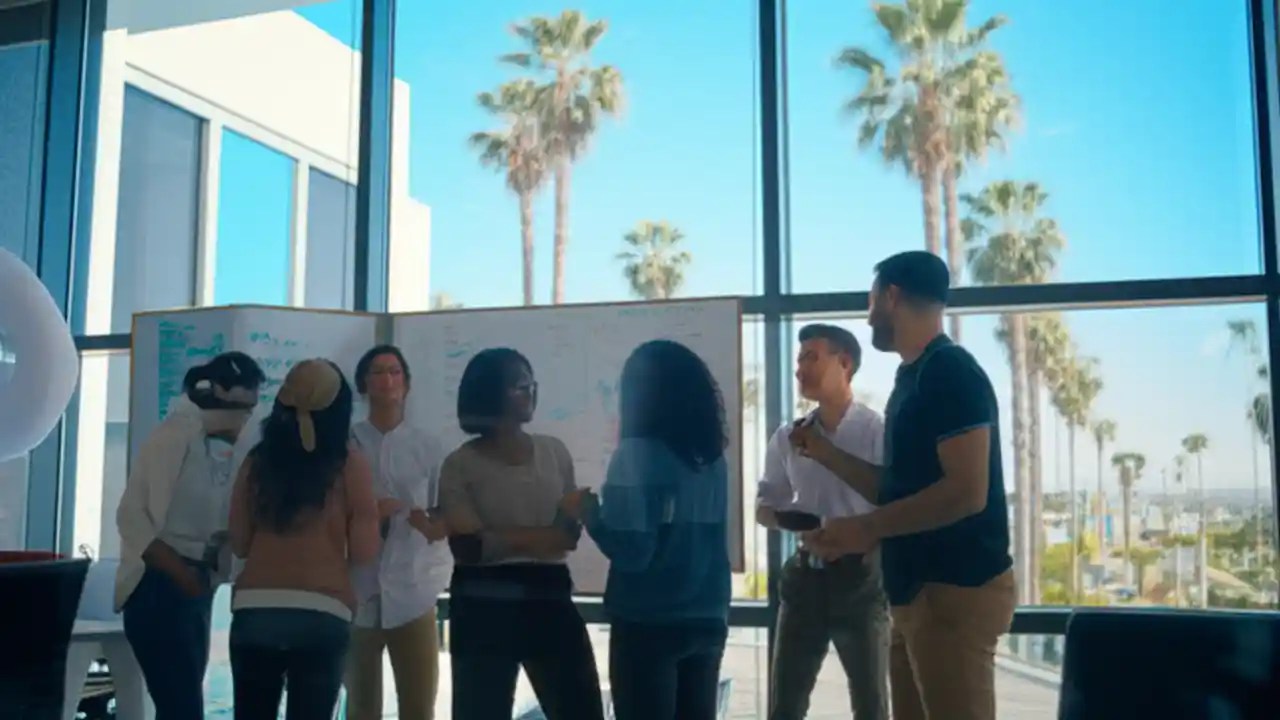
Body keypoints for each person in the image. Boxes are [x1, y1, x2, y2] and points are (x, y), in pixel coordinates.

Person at [796, 250, 1015, 720]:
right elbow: (899, 489)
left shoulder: (950, 373)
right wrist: (824, 453)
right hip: (919, 596)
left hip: (953, 591)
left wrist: (866, 530)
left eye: (871, 299)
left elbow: (966, 492)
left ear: (892, 296)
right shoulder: (914, 377)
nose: (867, 312)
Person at [560, 339, 731, 720]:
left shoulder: (636, 454)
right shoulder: (712, 459)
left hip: (649, 622)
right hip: (708, 616)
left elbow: (634, 552)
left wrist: (589, 512)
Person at [438, 348, 604, 720]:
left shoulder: (554, 452)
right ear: (490, 393)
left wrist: (500, 537)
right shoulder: (459, 463)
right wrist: (543, 535)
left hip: (549, 594)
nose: (531, 392)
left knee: (582, 710)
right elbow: (469, 548)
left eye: (532, 384)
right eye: (520, 385)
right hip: (481, 602)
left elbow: (567, 538)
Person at [227, 359, 381, 719]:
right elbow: (363, 552)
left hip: (255, 608)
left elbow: (239, 542)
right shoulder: (349, 463)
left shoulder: (257, 460)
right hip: (323, 611)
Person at [115, 351, 264, 720]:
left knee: (183, 706)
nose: (246, 419)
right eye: (242, 408)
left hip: (196, 586)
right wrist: (181, 574)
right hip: (158, 586)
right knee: (181, 708)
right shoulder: (174, 435)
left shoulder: (220, 444)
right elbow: (131, 517)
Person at [756, 324, 889, 720]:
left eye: (811, 357)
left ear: (844, 363)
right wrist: (796, 522)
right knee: (785, 707)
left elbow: (893, 501)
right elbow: (764, 509)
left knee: (871, 706)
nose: (799, 369)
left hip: (862, 582)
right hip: (804, 579)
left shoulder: (876, 431)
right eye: (798, 359)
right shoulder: (787, 437)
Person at [345, 345, 452, 720]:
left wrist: (431, 524)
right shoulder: (346, 445)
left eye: (395, 372)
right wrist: (372, 515)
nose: (387, 380)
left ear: (406, 384)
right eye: (377, 372)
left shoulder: (429, 447)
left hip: (414, 590)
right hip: (357, 592)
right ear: (363, 384)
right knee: (360, 707)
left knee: (419, 706)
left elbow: (446, 518)